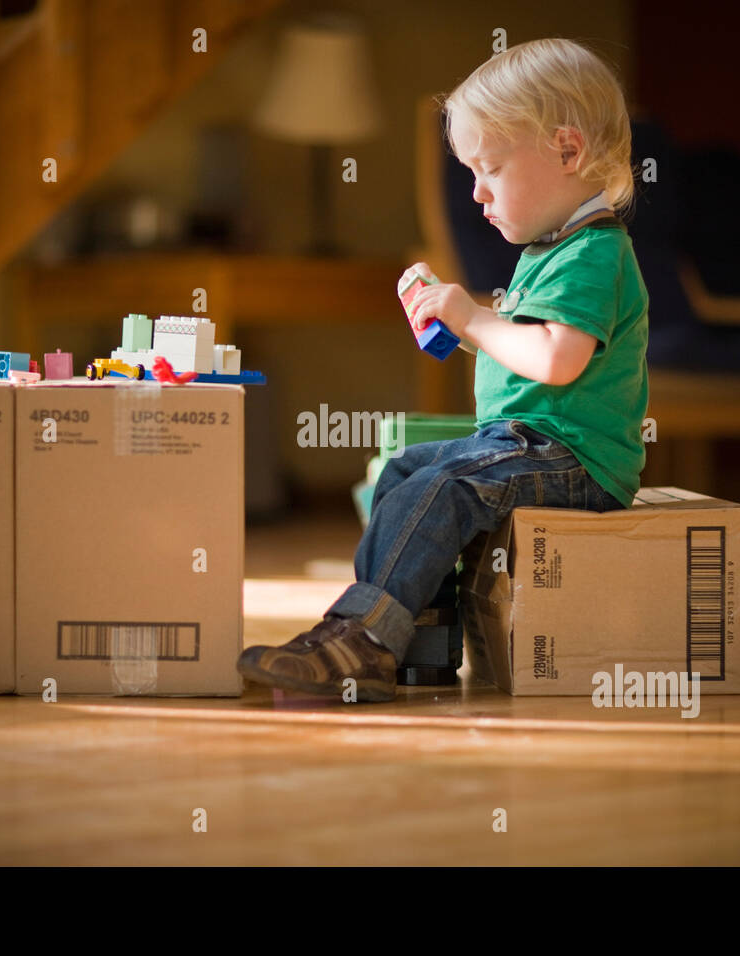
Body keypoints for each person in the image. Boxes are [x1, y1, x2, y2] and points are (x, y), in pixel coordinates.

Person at [237, 38, 649, 702]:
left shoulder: (593, 253)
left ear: (568, 152)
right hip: (525, 445)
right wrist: (455, 328)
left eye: (490, 168)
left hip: (573, 461)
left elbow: (556, 360)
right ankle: (411, 649)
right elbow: (529, 355)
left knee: (447, 486)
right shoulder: (553, 250)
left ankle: (363, 642)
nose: (479, 193)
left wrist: (473, 318)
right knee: (404, 471)